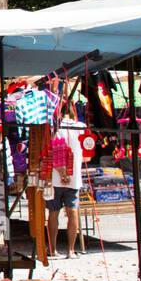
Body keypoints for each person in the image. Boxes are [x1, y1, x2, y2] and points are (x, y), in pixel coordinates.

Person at [47, 100, 86, 258]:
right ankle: (70, 250)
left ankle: (52, 249)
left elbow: (50, 150)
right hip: (74, 178)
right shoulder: (81, 127)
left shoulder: (54, 128)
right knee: (73, 212)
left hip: (55, 178)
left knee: (53, 213)